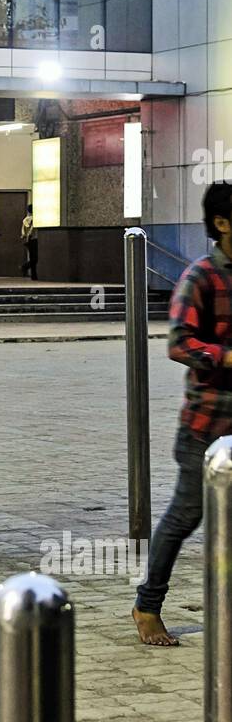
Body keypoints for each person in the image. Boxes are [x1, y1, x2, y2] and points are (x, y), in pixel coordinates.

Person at [134, 183, 232, 648]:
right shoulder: (202, 277)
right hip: (207, 427)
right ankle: (148, 605)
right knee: (185, 515)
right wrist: (226, 358)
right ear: (222, 224)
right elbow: (179, 342)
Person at [21, 202, 38, 281]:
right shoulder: (35, 219)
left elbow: (23, 231)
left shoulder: (25, 220)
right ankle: (25, 267)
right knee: (35, 258)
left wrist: (24, 235)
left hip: (28, 239)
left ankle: (33, 276)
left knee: (32, 257)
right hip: (33, 238)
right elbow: (31, 229)